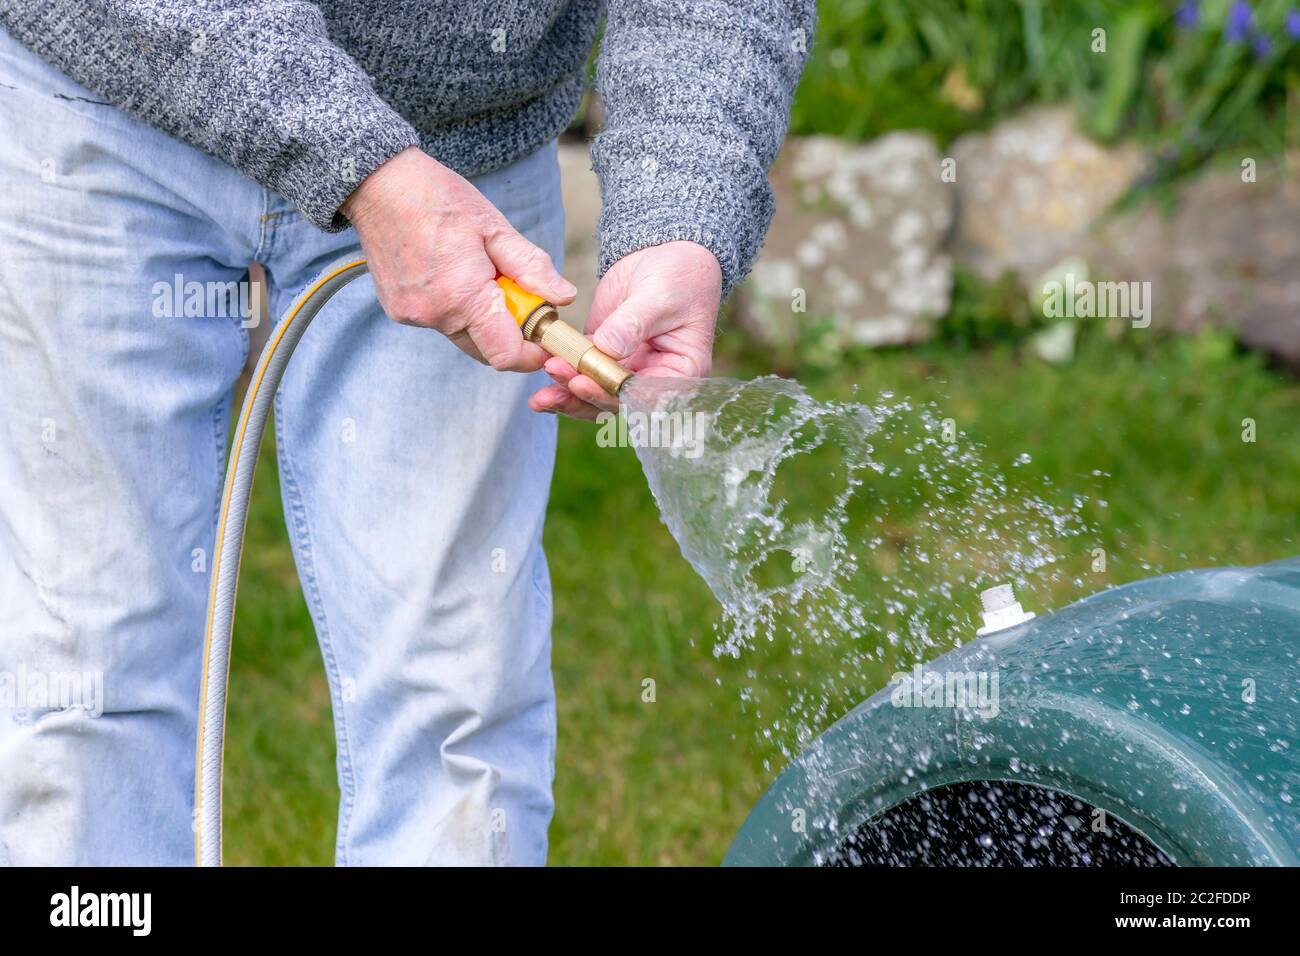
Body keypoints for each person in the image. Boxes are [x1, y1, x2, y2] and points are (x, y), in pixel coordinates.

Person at [0, 1, 813, 865]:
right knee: (87, 675)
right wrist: (356, 159)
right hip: (110, 82)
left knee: (456, 692)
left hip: (463, 148)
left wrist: (678, 219)